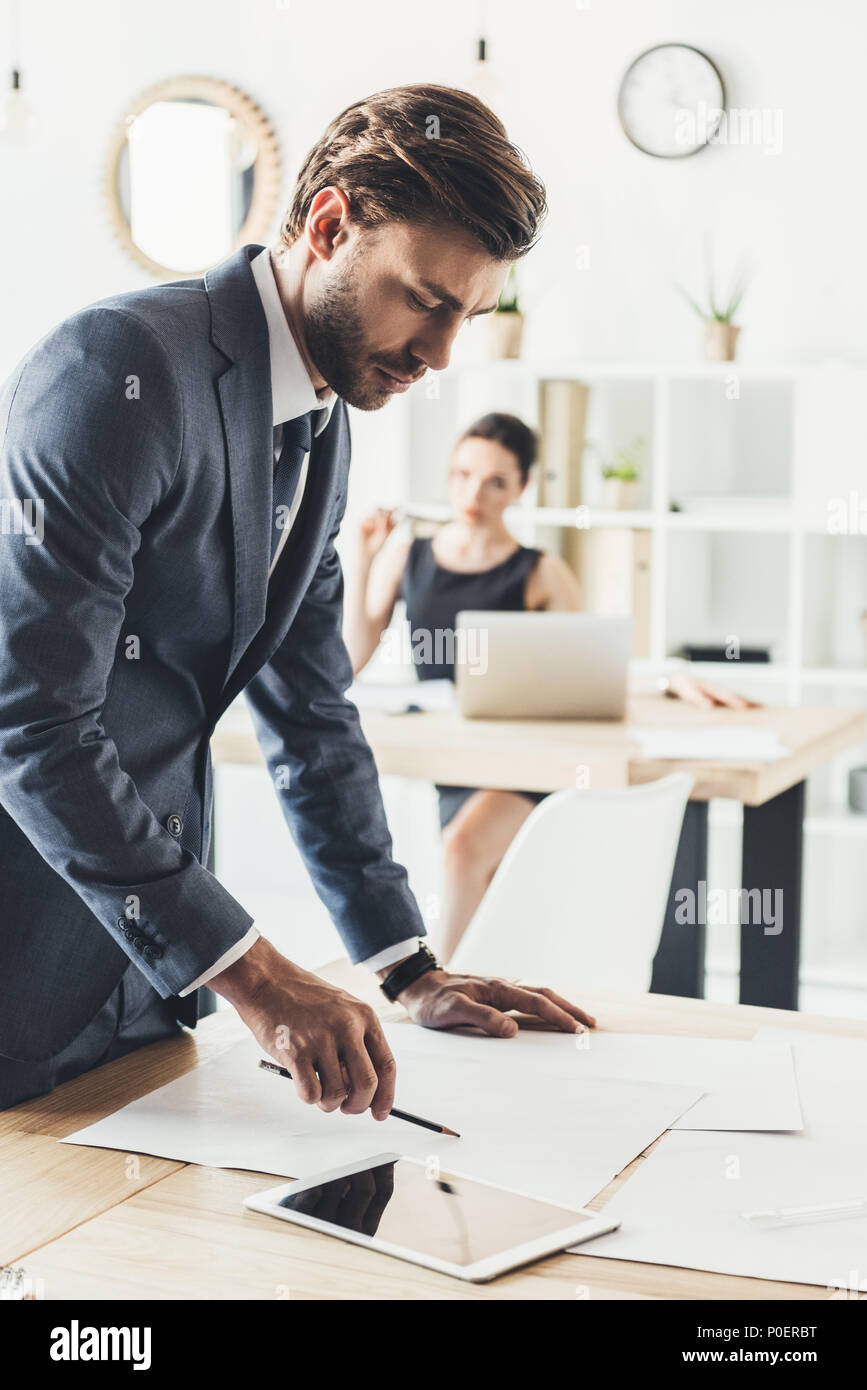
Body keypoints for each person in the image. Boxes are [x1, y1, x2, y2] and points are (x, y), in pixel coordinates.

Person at [0, 84, 596, 1116]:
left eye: (469, 314)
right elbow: (32, 720)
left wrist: (410, 965)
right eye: (426, 299)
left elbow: (312, 712)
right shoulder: (119, 370)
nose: (442, 355)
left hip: (144, 985)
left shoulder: (323, 422)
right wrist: (255, 971)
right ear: (329, 225)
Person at [346, 412, 757, 959]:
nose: (475, 493)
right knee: (481, 872)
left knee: (466, 851)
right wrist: (364, 557)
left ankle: (441, 987)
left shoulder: (542, 572)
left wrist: (665, 676)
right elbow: (351, 659)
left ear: (521, 488)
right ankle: (482, 994)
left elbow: (591, 669)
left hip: (527, 761)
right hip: (457, 758)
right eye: (463, 474)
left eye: (496, 481)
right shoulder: (409, 554)